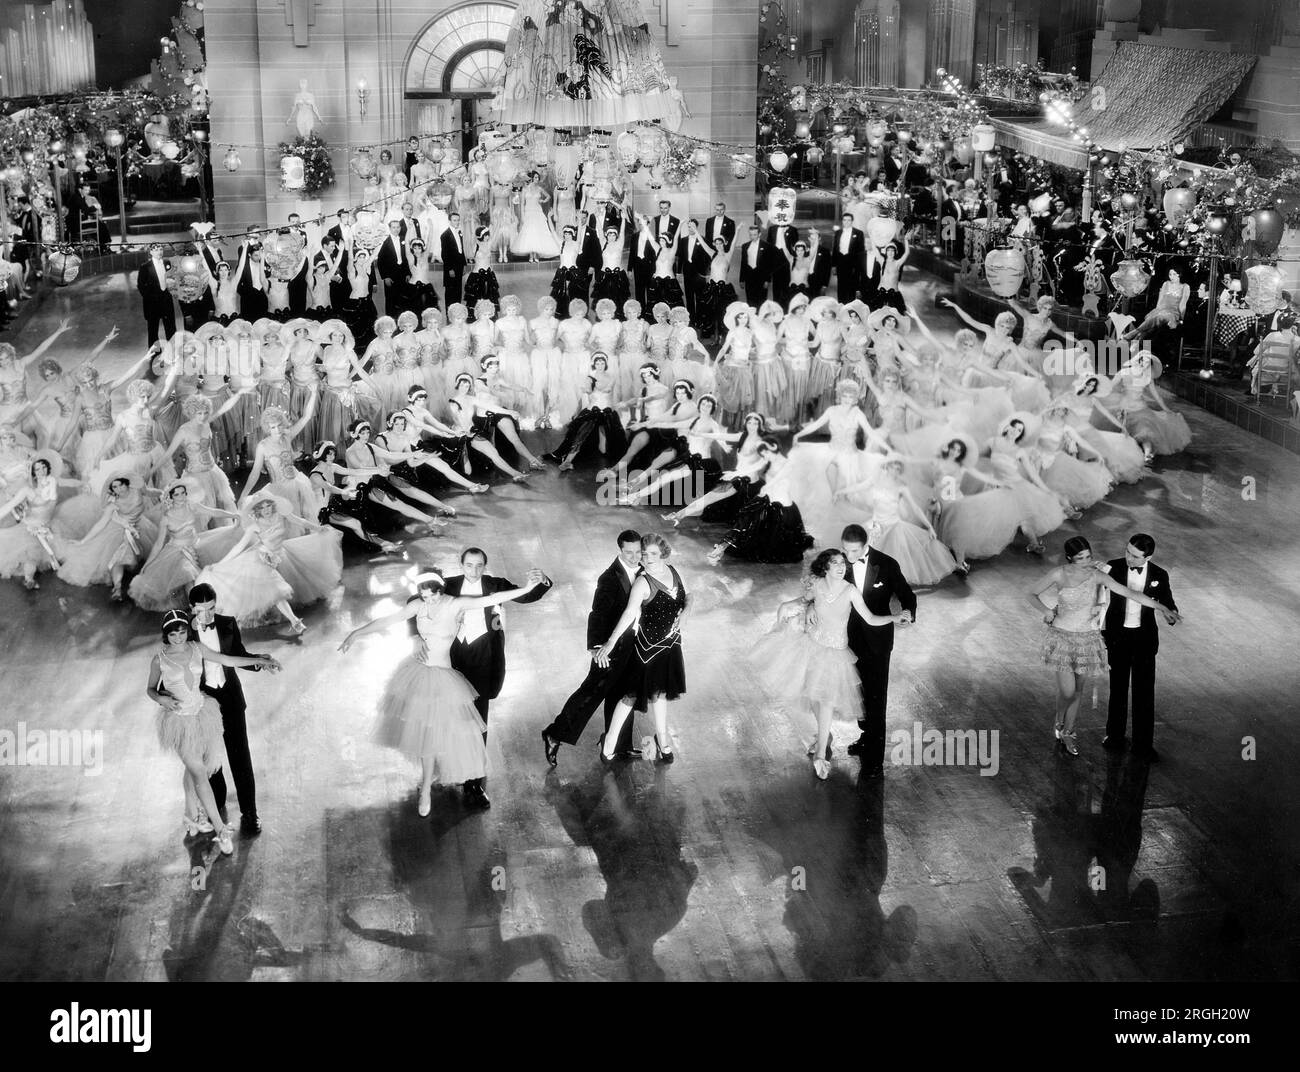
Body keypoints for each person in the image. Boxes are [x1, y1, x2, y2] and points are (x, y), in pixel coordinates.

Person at [341, 569, 546, 815]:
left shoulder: (455, 604)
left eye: (432, 596)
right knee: (426, 736)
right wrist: (356, 633)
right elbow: (388, 620)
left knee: (437, 736)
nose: (428, 601)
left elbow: (491, 599)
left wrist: (526, 587)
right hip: (417, 674)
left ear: (440, 591)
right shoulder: (418, 604)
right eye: (424, 597)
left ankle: (433, 787)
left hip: (443, 680)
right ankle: (426, 788)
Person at [408, 548, 554, 807]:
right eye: (469, 565)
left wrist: (542, 581)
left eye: (479, 566)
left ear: (485, 566)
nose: (474, 571)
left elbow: (526, 595)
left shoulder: (495, 585)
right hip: (451, 659)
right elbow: (414, 600)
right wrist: (417, 635)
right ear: (461, 565)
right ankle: (441, 767)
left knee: (478, 719)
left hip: (484, 659)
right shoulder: (448, 586)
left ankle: (473, 782)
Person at [753, 548, 908, 779]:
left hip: (835, 655)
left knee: (825, 700)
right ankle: (825, 738)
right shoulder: (817, 586)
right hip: (813, 647)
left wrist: (895, 617)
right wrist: (787, 618)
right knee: (813, 696)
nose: (841, 567)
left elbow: (871, 619)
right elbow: (794, 604)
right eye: (835, 563)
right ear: (825, 567)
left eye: (842, 563)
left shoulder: (851, 591)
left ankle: (821, 754)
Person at [148, 610, 280, 855]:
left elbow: (227, 659)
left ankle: (191, 816)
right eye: (173, 634)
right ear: (166, 635)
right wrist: (161, 700)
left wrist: (259, 660)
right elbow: (150, 689)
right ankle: (221, 830)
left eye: (182, 631)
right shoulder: (159, 660)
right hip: (178, 721)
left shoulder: (196, 648)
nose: (178, 637)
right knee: (199, 772)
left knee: (196, 768)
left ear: (187, 631)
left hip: (202, 714)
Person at [1031, 536, 1176, 758]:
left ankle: (1071, 732)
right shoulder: (1072, 572)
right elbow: (1032, 593)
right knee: (1077, 691)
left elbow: (1131, 593)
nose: (1086, 561)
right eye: (1081, 558)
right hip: (1077, 638)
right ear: (1070, 558)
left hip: (1105, 640)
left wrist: (1164, 608)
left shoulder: (1105, 574)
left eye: (1089, 556)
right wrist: (1047, 611)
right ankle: (1070, 723)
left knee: (1087, 691)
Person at [542, 529, 646, 765]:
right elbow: (597, 614)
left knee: (623, 694)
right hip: (608, 647)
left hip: (634, 643)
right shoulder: (609, 578)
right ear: (620, 550)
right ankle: (554, 733)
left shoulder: (644, 571)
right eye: (629, 552)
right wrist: (596, 647)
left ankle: (619, 745)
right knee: (592, 692)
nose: (634, 556)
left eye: (638, 551)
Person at [186, 583, 274, 835]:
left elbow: (238, 655)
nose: (208, 615)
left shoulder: (227, 623)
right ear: (191, 608)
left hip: (232, 699)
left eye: (212, 608)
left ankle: (250, 814)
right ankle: (218, 803)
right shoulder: (184, 632)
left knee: (241, 757)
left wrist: (260, 662)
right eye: (201, 610)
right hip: (203, 703)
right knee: (210, 758)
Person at [593, 532, 687, 764]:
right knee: (630, 697)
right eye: (644, 554)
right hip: (647, 652)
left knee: (661, 694)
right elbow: (628, 614)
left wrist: (686, 612)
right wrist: (610, 642)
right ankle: (609, 745)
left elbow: (689, 596)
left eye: (653, 553)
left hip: (671, 646)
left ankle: (663, 743)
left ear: (663, 553)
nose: (647, 558)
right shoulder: (642, 583)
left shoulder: (674, 571)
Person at [840, 523, 916, 776]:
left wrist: (908, 614)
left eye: (853, 552)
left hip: (878, 641)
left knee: (876, 695)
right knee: (858, 692)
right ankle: (865, 737)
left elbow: (907, 594)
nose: (849, 557)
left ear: (865, 546)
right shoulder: (839, 563)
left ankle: (875, 753)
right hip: (847, 640)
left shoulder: (886, 564)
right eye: (845, 551)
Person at [1100, 533, 1180, 762]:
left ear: (1148, 556)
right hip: (1118, 638)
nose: (1129, 559)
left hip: (1144, 640)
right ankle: (1114, 736)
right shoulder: (1112, 567)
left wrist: (1170, 615)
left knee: (1144, 692)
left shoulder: (1159, 575)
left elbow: (1167, 602)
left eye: (1135, 556)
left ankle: (1143, 744)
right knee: (1117, 688)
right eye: (1127, 552)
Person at [137, 243, 177, 345]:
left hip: (166, 301)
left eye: (160, 249)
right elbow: (141, 286)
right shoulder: (145, 267)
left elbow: (172, 278)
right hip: (152, 303)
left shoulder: (167, 263)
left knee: (171, 328)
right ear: (150, 252)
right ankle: (154, 353)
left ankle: (173, 350)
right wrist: (150, 298)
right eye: (155, 250)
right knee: (153, 331)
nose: (159, 252)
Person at [831, 213, 866, 303]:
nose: (846, 222)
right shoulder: (838, 233)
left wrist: (859, 266)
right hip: (840, 263)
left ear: (852, 221)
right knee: (841, 286)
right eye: (844, 220)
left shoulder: (858, 233)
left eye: (849, 220)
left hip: (853, 264)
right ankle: (841, 306)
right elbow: (835, 249)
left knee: (851, 287)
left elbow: (861, 251)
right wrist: (834, 265)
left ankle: (850, 308)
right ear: (842, 221)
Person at [738, 223, 772, 308]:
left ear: (759, 234)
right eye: (751, 235)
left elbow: (769, 264)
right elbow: (743, 263)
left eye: (755, 234)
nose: (752, 237)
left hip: (761, 278)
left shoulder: (766, 246)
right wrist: (741, 279)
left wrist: (767, 280)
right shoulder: (745, 246)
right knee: (750, 301)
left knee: (761, 301)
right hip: (749, 278)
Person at [440, 211, 467, 307]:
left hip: (459, 265)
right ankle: (449, 311)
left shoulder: (459, 232)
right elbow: (444, 254)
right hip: (451, 267)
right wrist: (449, 269)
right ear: (449, 221)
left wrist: (464, 264)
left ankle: (457, 308)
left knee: (458, 288)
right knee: (450, 290)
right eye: (454, 220)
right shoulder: (445, 235)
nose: (457, 222)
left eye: (458, 220)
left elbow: (461, 249)